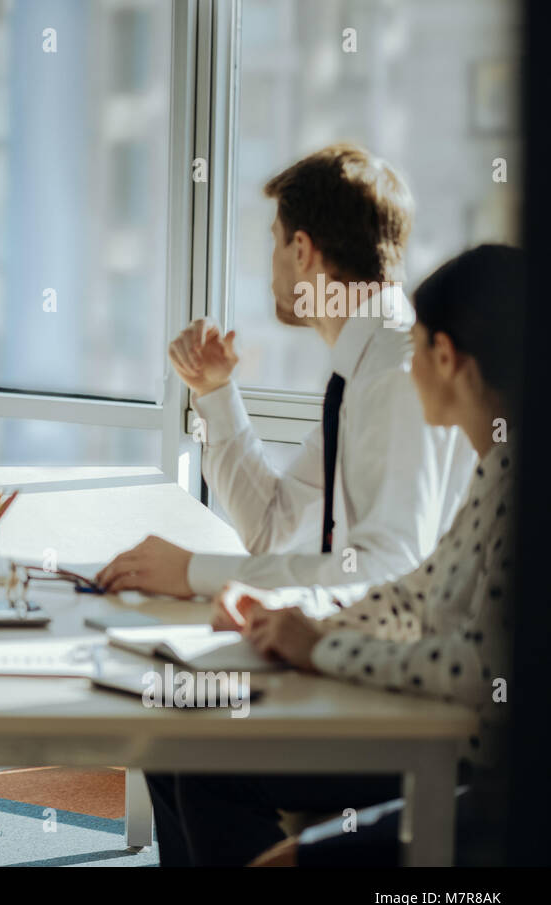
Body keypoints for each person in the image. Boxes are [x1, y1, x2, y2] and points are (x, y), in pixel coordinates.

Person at [149, 244, 521, 866]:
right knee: (184, 744)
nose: (410, 364)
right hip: (437, 737)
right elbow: (411, 592)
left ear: (446, 357)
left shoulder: (510, 482)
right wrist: (304, 625)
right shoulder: (495, 470)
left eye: (419, 346)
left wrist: (321, 646)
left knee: (215, 773)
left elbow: (480, 671)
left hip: (481, 785)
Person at [97, 145, 474, 615]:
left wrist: (194, 572)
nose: (271, 262)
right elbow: (274, 530)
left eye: (274, 240)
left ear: (301, 250)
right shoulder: (363, 369)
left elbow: (386, 572)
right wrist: (214, 392)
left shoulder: (396, 377)